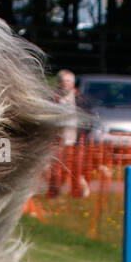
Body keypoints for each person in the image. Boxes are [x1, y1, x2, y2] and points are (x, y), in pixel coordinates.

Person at [47, 70, 91, 198]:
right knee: (55, 170)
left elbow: (88, 119)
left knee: (75, 169)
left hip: (74, 141)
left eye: (68, 81)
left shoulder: (80, 100)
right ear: (58, 83)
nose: (64, 84)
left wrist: (83, 134)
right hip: (56, 141)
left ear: (73, 84)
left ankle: (77, 193)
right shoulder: (51, 99)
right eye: (62, 81)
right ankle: (54, 194)